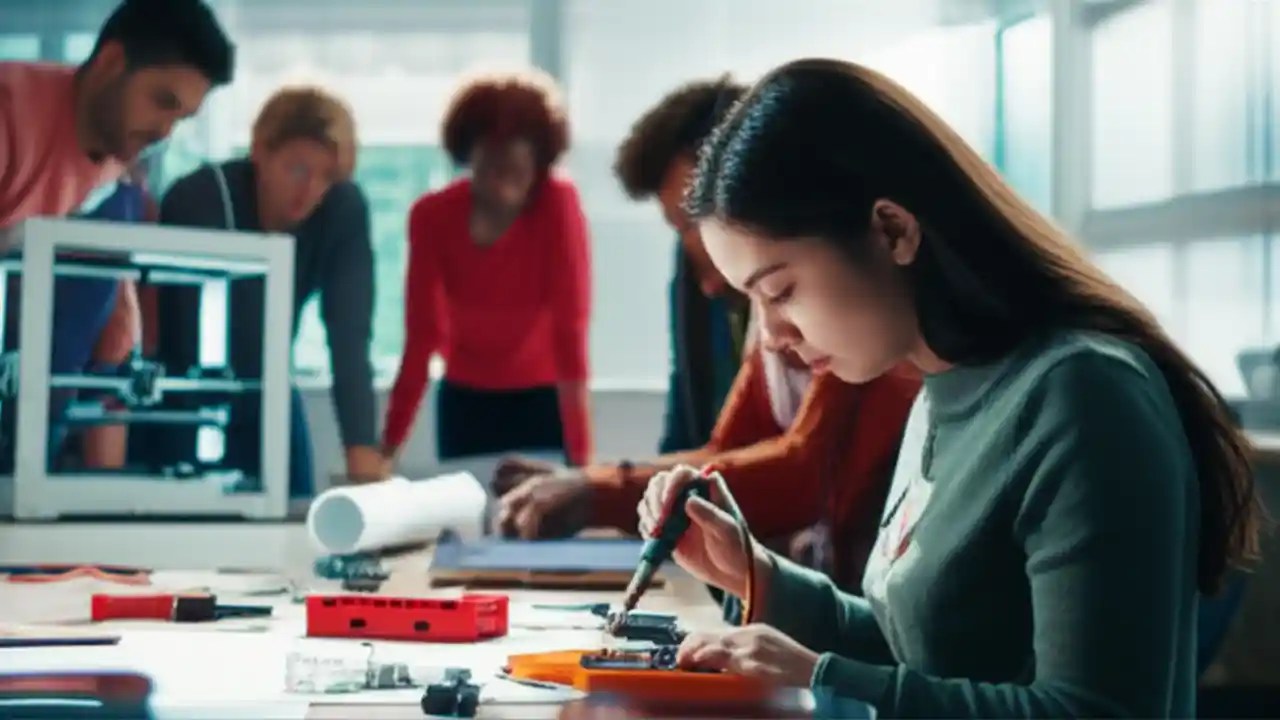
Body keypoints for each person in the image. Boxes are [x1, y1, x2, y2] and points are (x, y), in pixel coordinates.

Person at [637, 59, 1260, 718]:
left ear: (892, 230)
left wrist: (822, 675)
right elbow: (927, 652)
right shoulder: (940, 389)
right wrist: (757, 576)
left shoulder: (1082, 395)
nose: (767, 337)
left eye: (780, 291)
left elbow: (1094, 711)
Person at [495, 77, 920, 593]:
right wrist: (594, 482)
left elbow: (804, 471)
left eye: (691, 224)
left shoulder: (864, 315)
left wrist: (595, 490)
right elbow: (728, 450)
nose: (705, 268)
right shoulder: (763, 319)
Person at [0, 0, 232, 468]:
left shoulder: (116, 162)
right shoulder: (9, 111)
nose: (165, 131)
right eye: (162, 100)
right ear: (110, 63)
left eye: (181, 117)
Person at [152, 86, 379, 497]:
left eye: (325, 177)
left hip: (272, 393)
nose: (310, 190)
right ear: (260, 151)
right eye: (297, 169)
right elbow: (180, 335)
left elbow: (350, 341)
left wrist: (368, 479)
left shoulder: (340, 208)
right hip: (186, 401)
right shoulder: (199, 199)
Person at [381, 70, 593, 469]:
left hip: (540, 402)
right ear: (468, 157)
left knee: (542, 522)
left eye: (514, 173)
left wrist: (583, 467)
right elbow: (421, 336)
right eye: (489, 169)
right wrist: (387, 450)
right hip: (464, 402)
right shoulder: (431, 216)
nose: (501, 189)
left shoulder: (558, 207)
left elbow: (571, 332)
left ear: (537, 168)